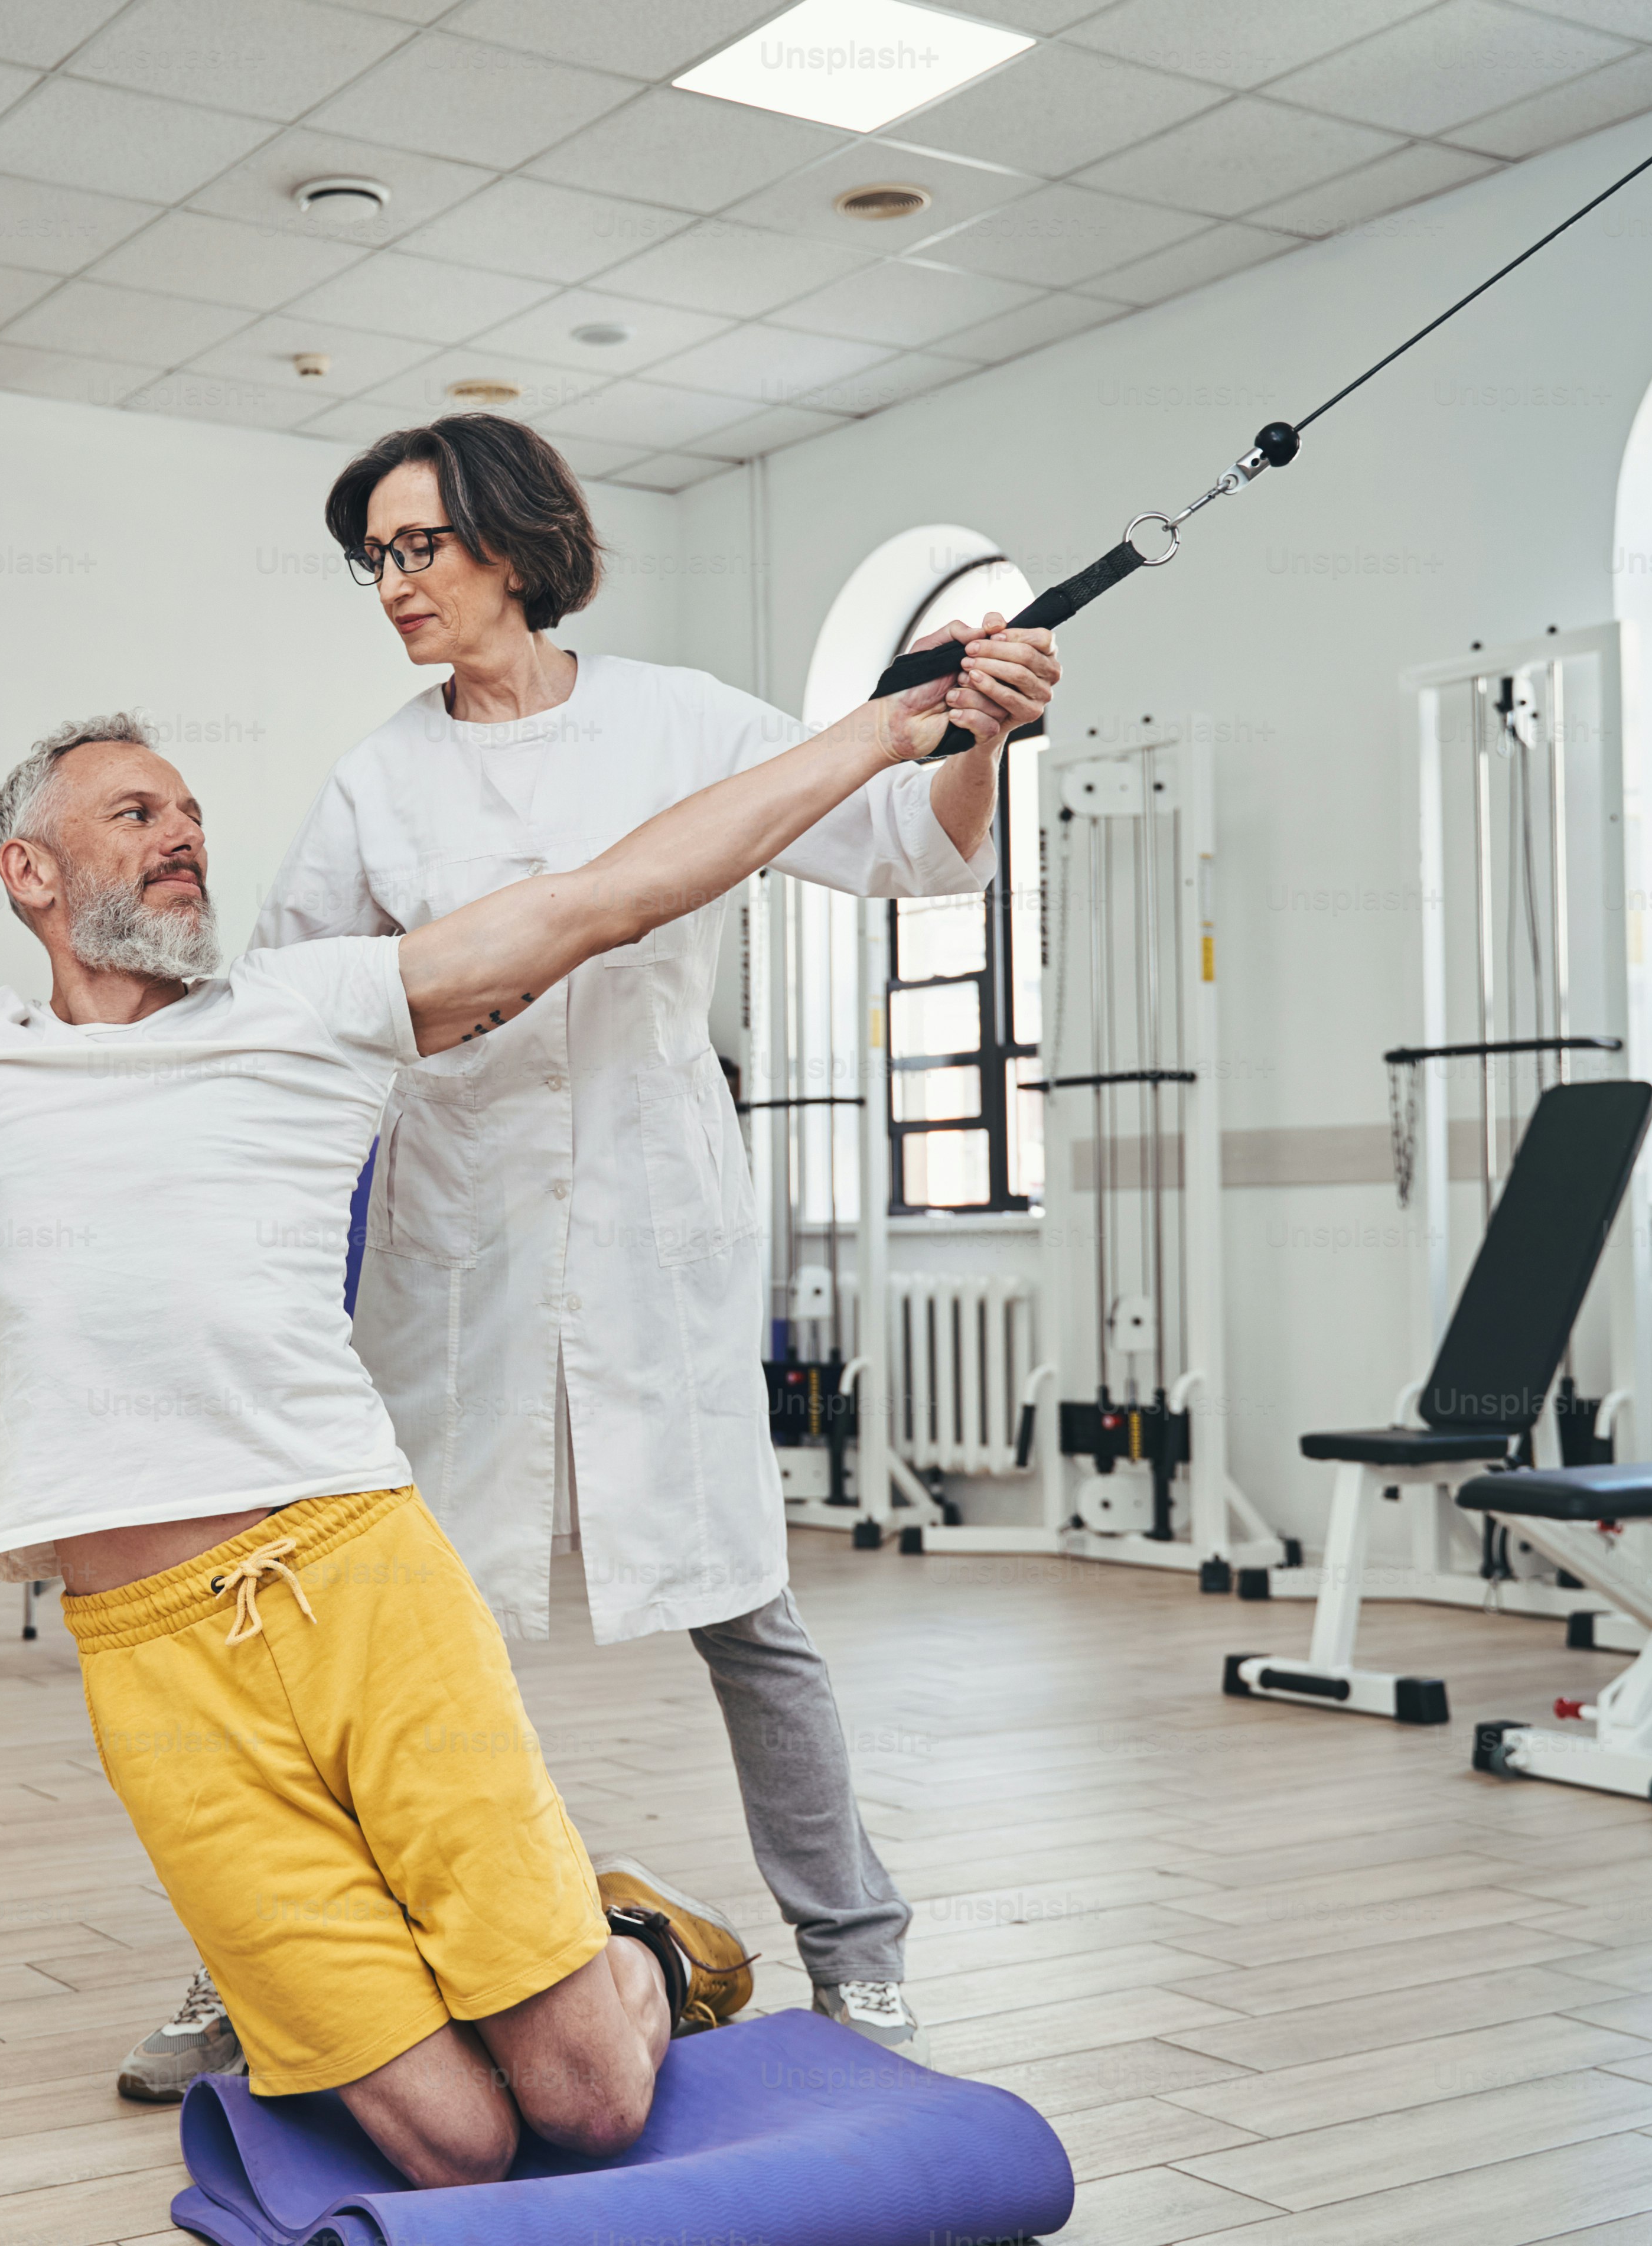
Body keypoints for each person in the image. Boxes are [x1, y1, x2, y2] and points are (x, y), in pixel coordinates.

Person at [0, 496, 1032, 2187]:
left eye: (187, 809)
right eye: (131, 810)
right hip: (152, 1655)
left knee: (592, 2100)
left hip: (363, 1582)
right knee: (453, 2143)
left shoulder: (317, 1014)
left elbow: (610, 896)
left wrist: (896, 728)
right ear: (29, 870)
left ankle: (633, 1952)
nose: (182, 834)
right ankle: (535, 1921)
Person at [120, 417, 1056, 2100]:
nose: (394, 587)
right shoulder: (376, 779)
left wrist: (975, 734)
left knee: (749, 1616)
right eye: (377, 559)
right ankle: (251, 1970)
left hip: (648, 1233)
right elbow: (296, 1014)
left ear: (511, 545)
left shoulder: (686, 719)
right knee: (369, 1641)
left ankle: (862, 1965)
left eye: (419, 549)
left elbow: (905, 848)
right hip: (454, 1249)